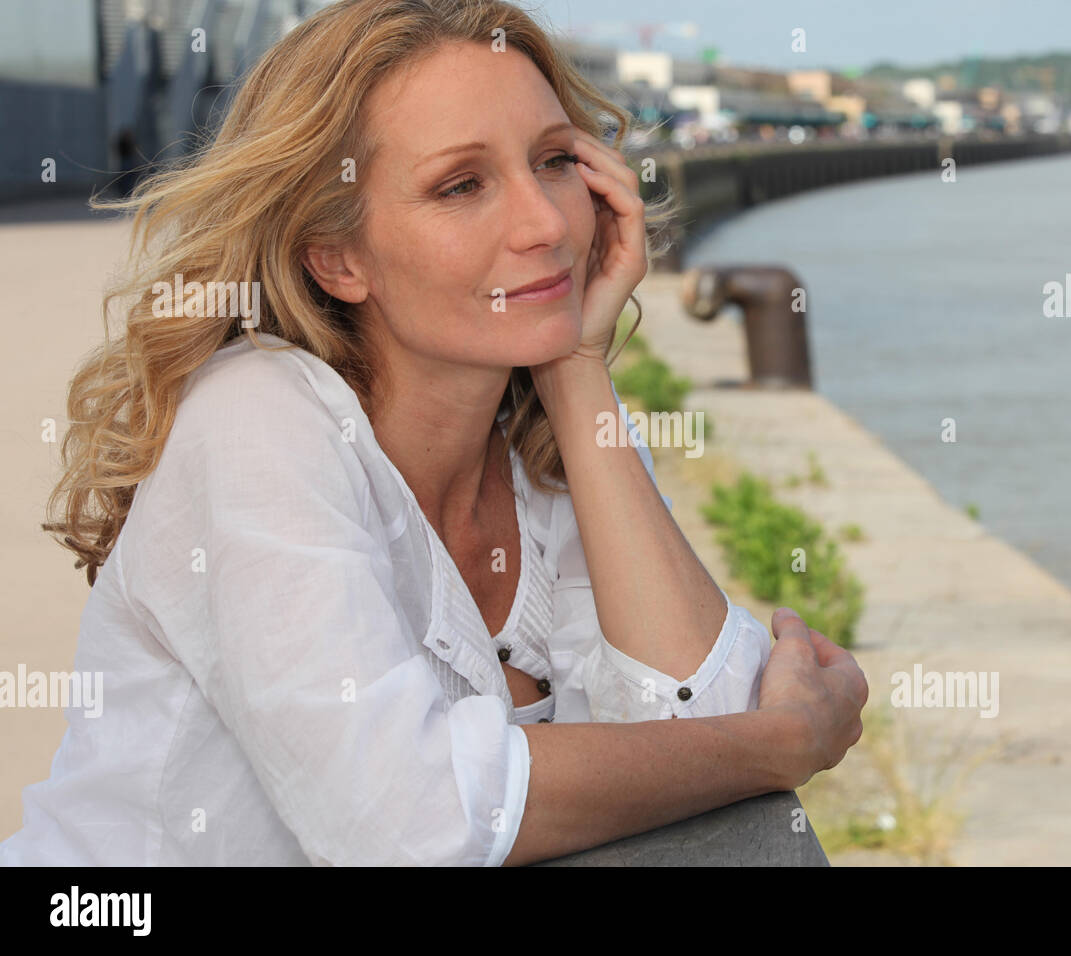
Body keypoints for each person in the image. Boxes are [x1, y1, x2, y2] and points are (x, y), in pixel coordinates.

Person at [0, 0, 867, 867]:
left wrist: (575, 366)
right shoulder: (253, 423)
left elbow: (700, 726)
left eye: (556, 161)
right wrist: (777, 741)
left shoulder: (549, 431)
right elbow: (402, 826)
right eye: (462, 186)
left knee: (744, 832)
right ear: (339, 258)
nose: (547, 226)